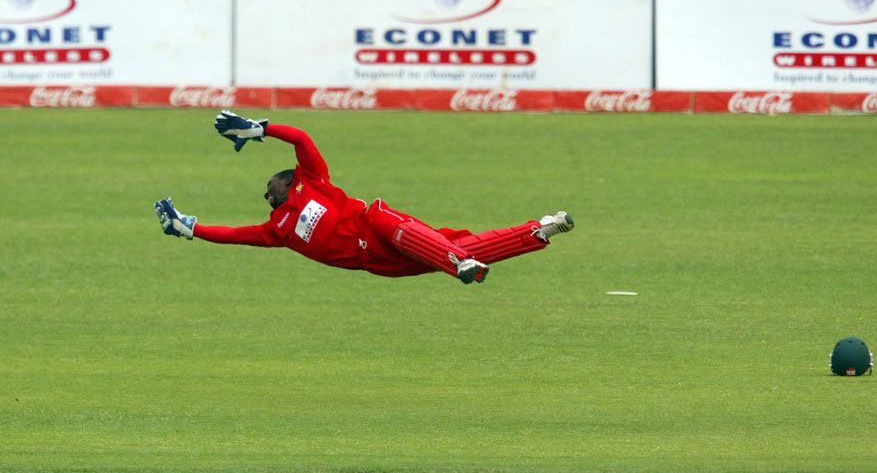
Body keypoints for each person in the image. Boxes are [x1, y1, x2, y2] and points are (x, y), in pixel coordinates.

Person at [154, 110, 574, 285]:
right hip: (376, 261)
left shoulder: (311, 180)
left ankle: (535, 231)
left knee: (449, 242)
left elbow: (300, 137)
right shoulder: (276, 230)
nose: (266, 195)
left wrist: (259, 129)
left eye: (271, 187)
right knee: (456, 250)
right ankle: (459, 262)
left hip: (376, 226)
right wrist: (190, 228)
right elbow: (232, 234)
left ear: (289, 179)